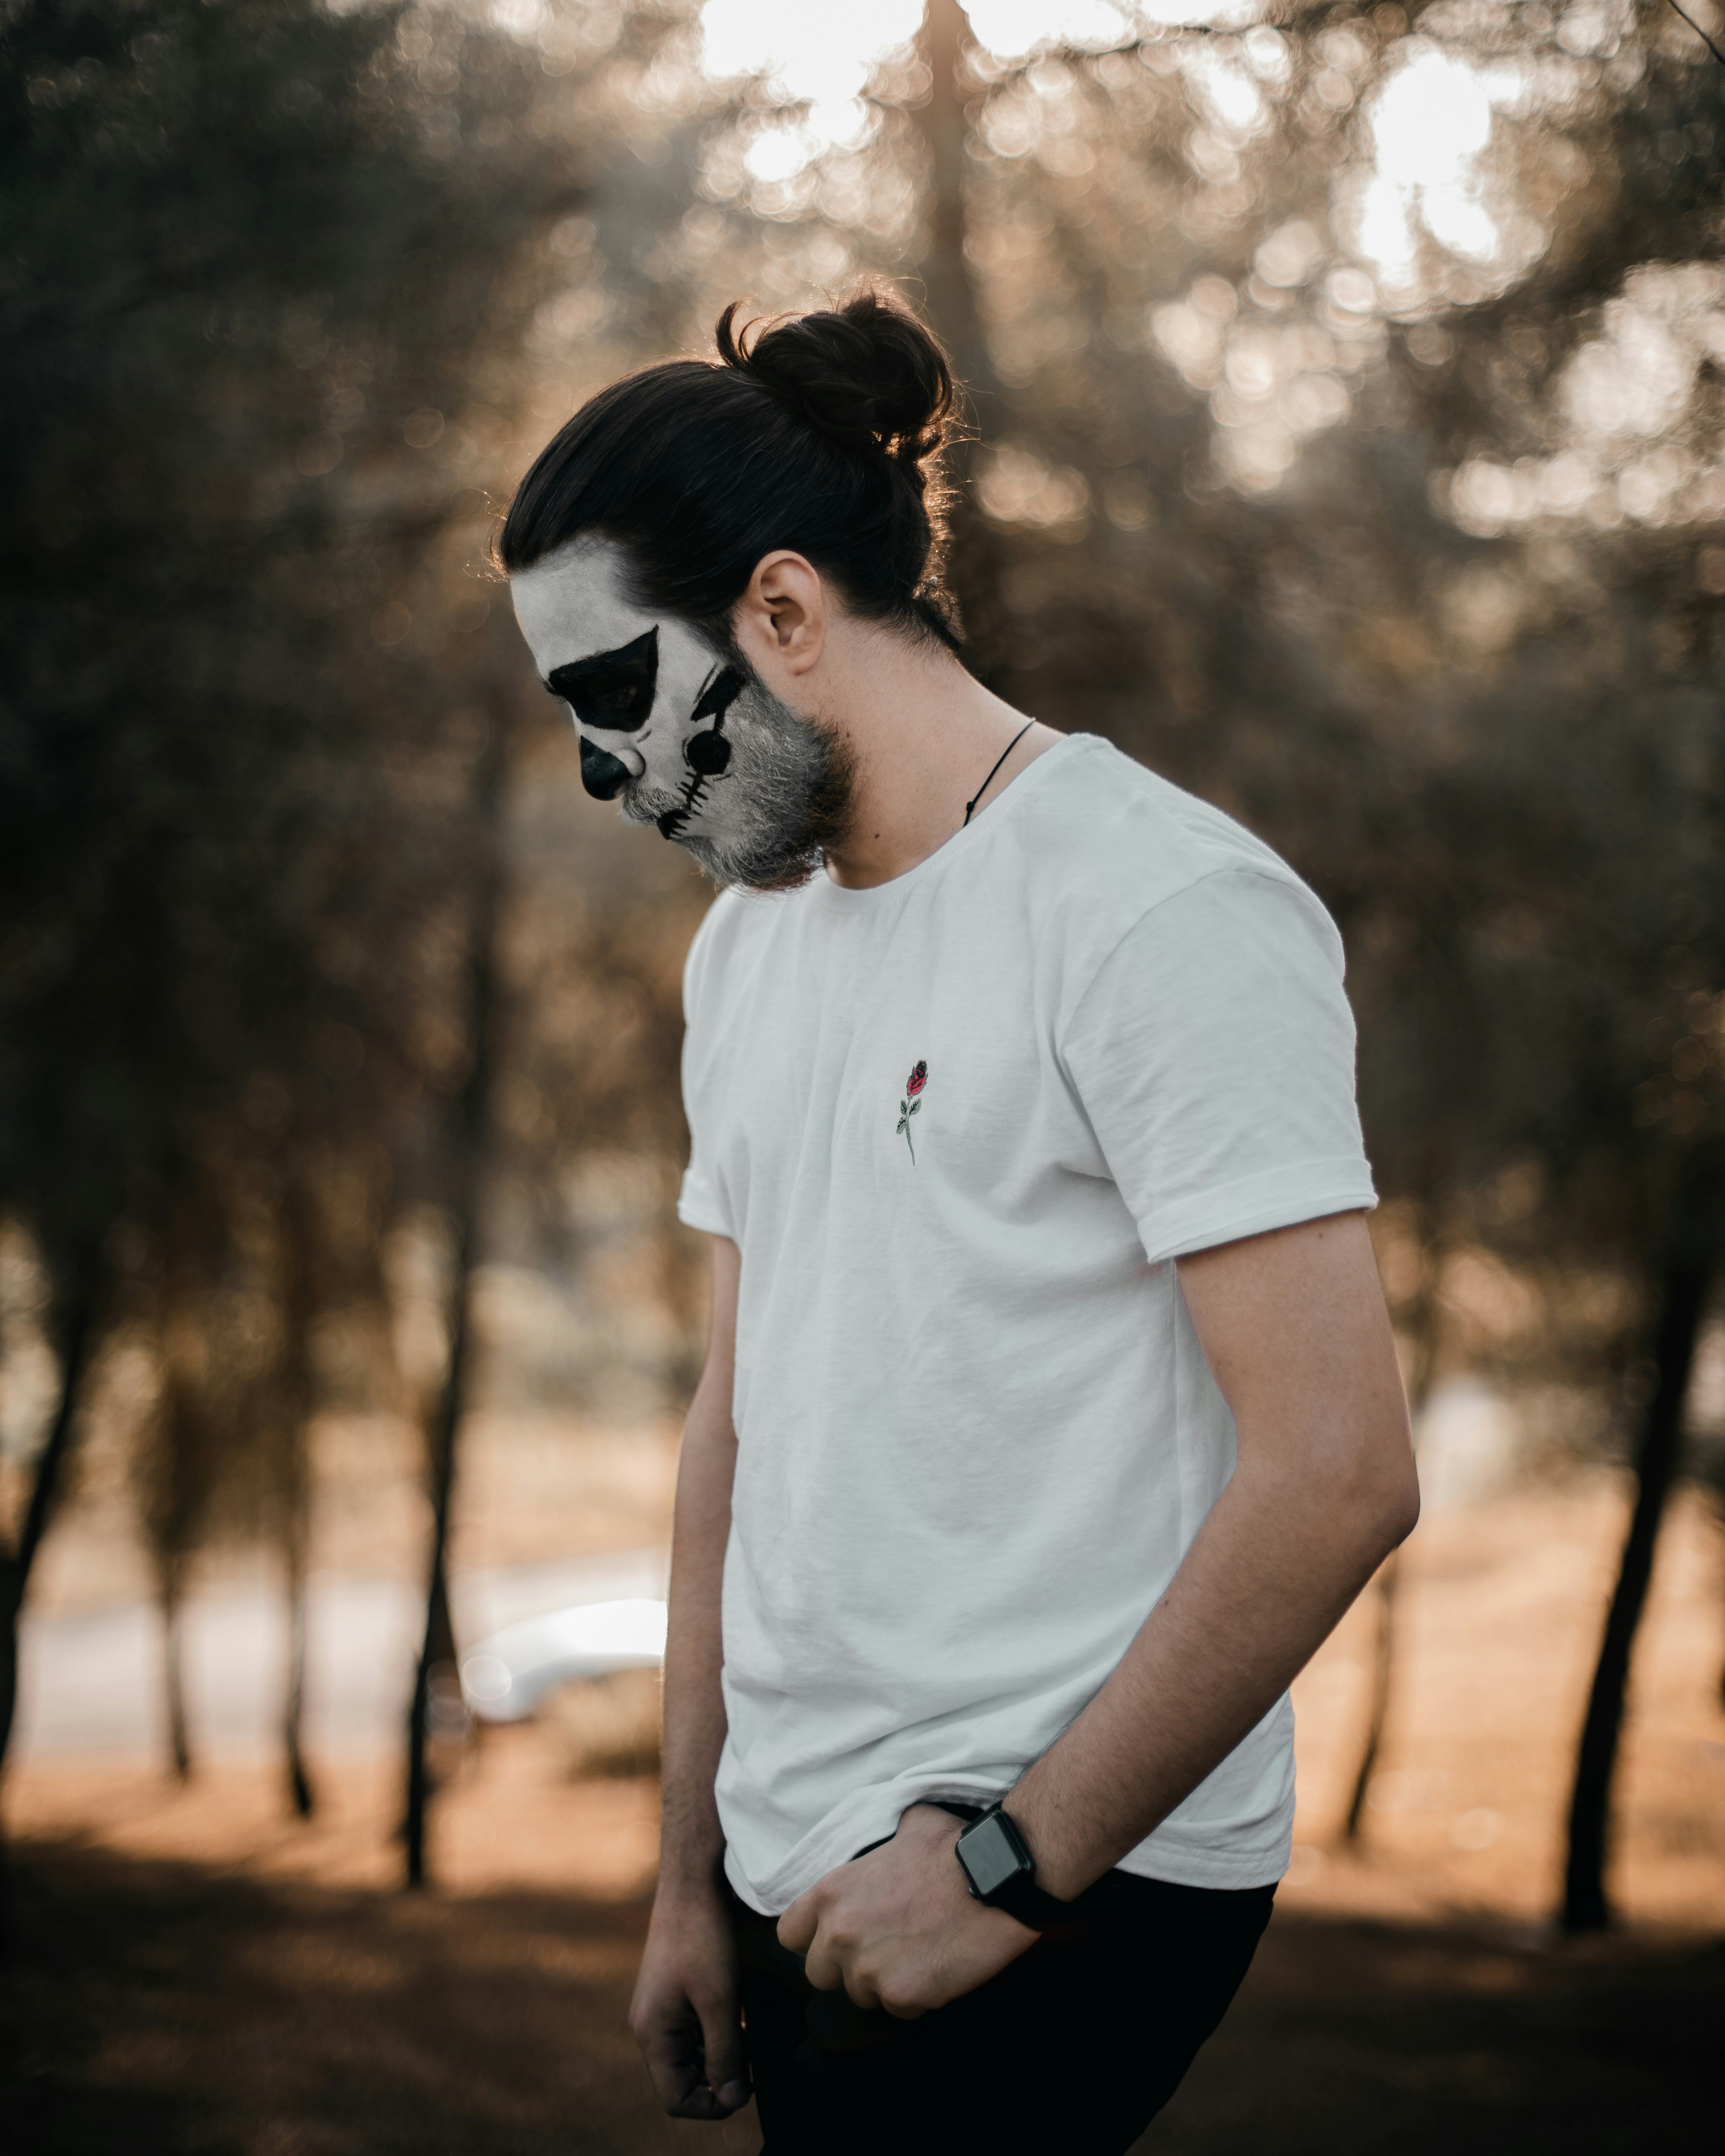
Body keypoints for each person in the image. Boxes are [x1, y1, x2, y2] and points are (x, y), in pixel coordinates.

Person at [499, 291, 1419, 2154]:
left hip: (1059, 1874)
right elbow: (731, 1432)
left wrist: (1006, 1869)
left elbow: (1338, 1467)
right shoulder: (750, 949)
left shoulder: (1155, 905)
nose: (602, 772)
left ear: (779, 611)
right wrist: (690, 1872)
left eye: (610, 692)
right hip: (794, 1859)